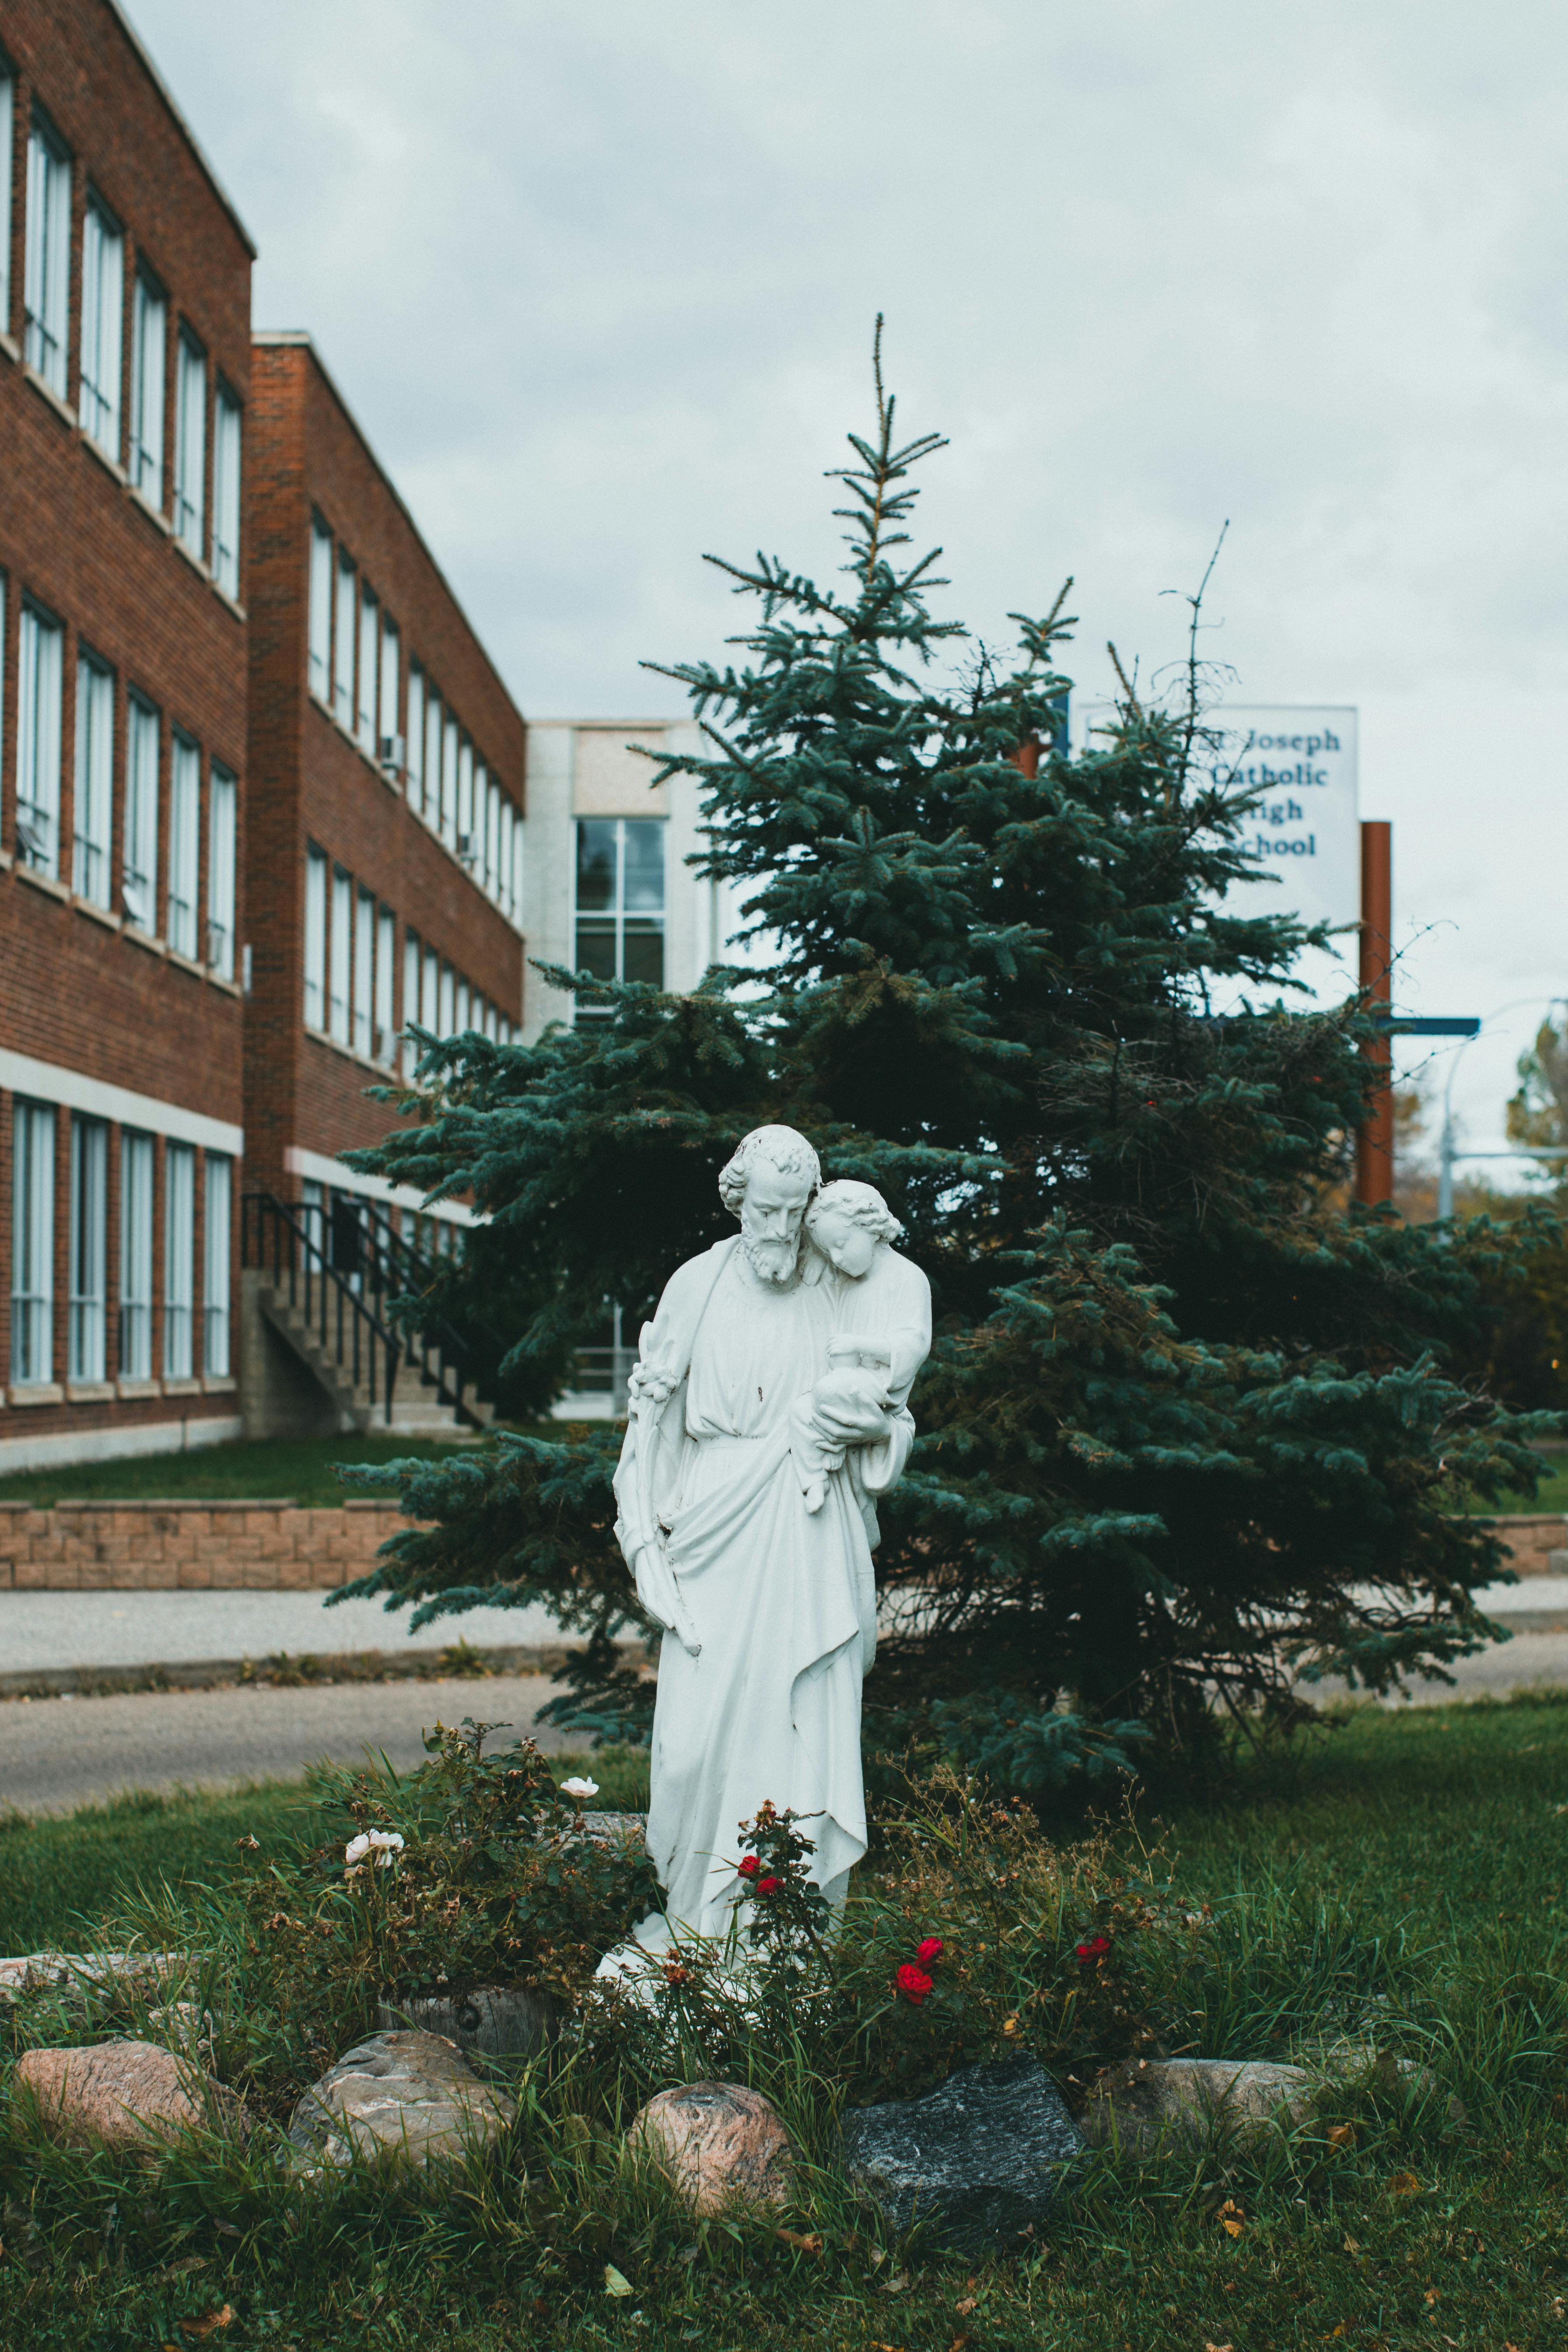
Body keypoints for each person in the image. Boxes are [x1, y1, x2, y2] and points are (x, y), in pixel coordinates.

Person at [607, 1127, 927, 1954]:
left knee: (801, 1730)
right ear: (736, 1200)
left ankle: (784, 1944)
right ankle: (687, 1928)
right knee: (686, 1748)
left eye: (795, 1213)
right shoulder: (698, 1283)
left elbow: (883, 1395)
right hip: (712, 1524)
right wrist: (643, 1545)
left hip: (807, 1527)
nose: (781, 1232)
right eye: (766, 1211)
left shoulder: (830, 1278)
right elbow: (646, 1427)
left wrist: (873, 1418)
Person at [788, 1181, 932, 1520]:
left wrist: (860, 1345)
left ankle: (841, 1447)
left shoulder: (907, 1278)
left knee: (828, 1391)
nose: (837, 1259)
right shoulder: (845, 1283)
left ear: (870, 1227)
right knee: (799, 1412)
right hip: (846, 1383)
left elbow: (913, 1345)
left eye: (841, 1245)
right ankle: (814, 1480)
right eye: (829, 1252)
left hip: (879, 1388)